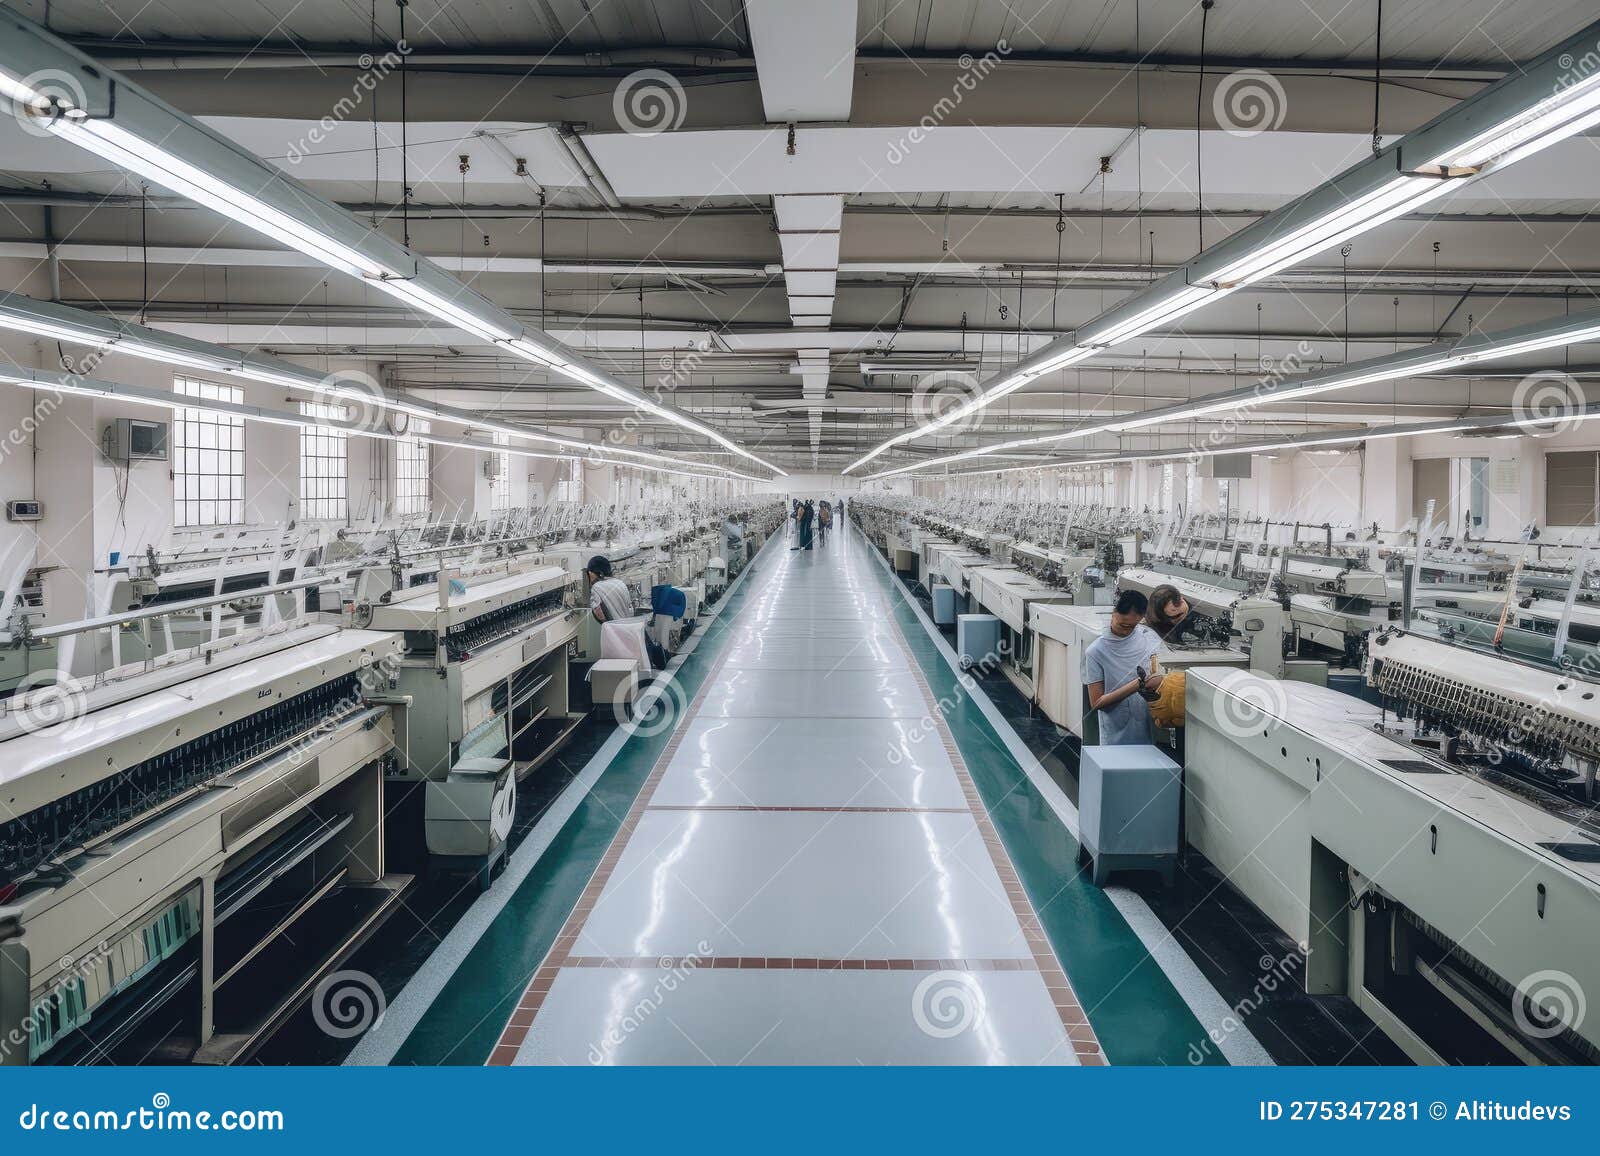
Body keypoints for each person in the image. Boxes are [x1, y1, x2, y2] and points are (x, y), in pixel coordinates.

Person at [1083, 589, 1164, 746]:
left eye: (1131, 626)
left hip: (1150, 721)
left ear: (1140, 619)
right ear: (1113, 613)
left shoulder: (1149, 638)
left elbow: (1161, 673)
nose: (1125, 630)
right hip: (1116, 728)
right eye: (1122, 624)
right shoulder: (1096, 651)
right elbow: (1096, 703)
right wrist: (1137, 685)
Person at [585, 555, 634, 623]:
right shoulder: (620, 583)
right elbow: (630, 609)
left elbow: (599, 614)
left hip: (613, 629)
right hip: (627, 627)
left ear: (590, 573)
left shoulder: (596, 587)